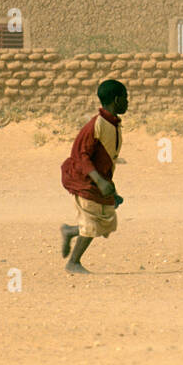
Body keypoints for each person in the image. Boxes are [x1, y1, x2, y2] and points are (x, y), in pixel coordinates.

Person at [59, 79, 127, 273]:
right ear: (116, 100)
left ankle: (70, 231)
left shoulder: (113, 125)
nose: (128, 103)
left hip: (100, 181)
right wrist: (98, 181)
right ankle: (73, 263)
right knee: (90, 223)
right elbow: (81, 156)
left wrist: (111, 189)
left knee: (105, 223)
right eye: (125, 98)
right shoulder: (95, 126)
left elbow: (105, 160)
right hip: (84, 180)